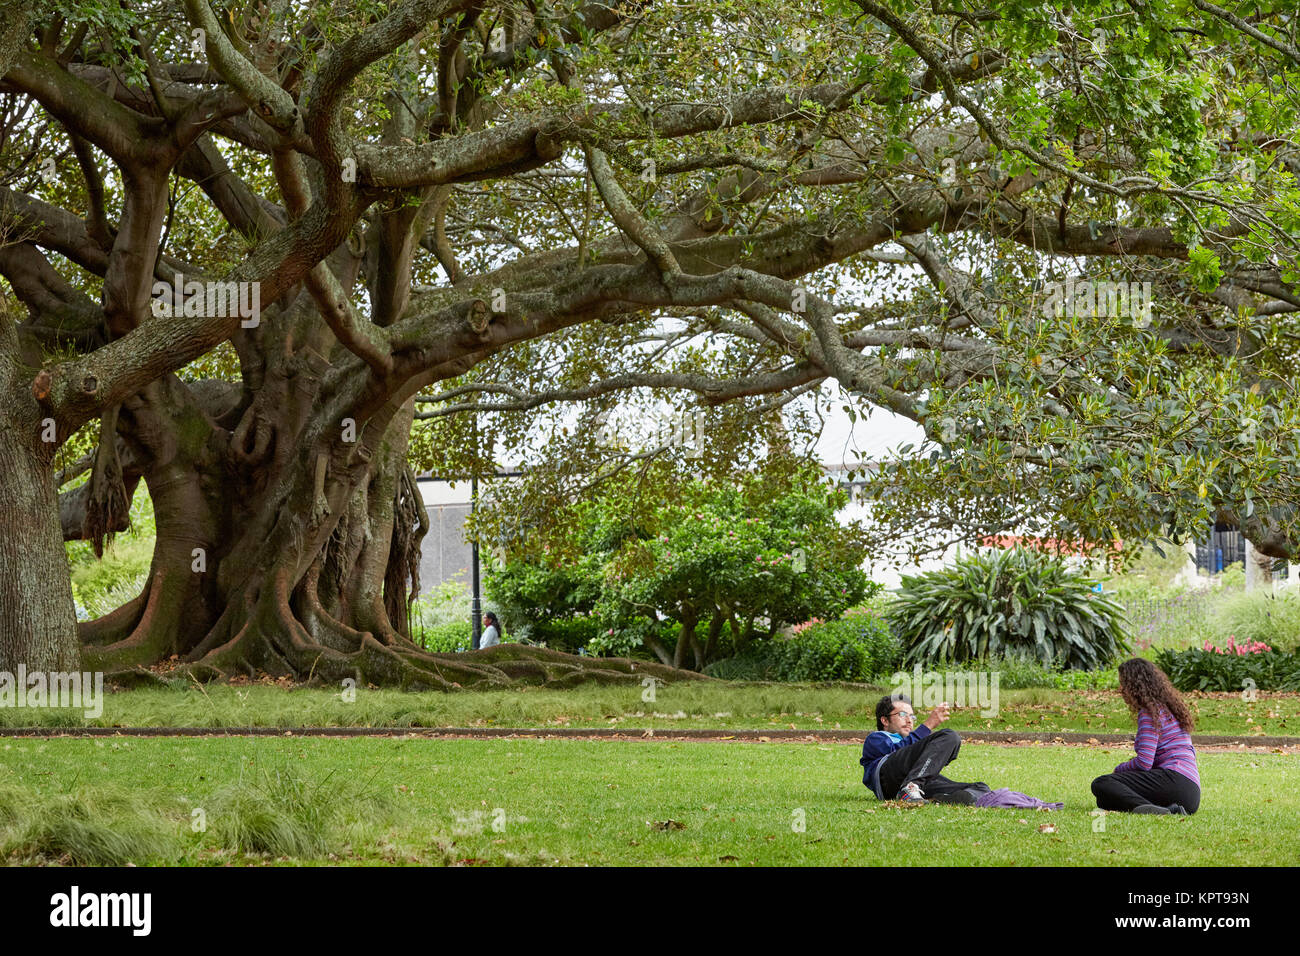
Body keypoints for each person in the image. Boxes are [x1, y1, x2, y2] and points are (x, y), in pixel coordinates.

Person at [1091, 658, 1200, 815]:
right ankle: (1166, 809)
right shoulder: (1170, 709)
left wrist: (1119, 769)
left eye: (1124, 684)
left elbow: (1144, 763)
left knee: (1101, 783)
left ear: (1135, 686)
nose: (1120, 689)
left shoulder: (1150, 712)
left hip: (1174, 781)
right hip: (1191, 795)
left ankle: (1154, 811)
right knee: (1104, 799)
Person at [860, 694, 986, 804]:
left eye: (912, 717)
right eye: (903, 715)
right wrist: (928, 725)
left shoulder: (915, 742)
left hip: (918, 783)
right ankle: (910, 788)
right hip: (889, 780)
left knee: (981, 788)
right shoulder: (876, 738)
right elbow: (895, 752)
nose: (909, 721)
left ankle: (947, 798)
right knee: (949, 736)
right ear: (885, 720)